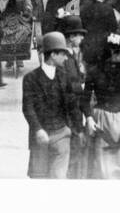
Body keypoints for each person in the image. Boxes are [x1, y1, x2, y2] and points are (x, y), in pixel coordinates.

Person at [21, 32, 79, 179]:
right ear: (53, 54)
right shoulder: (30, 79)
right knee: (39, 178)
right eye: (63, 54)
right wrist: (38, 129)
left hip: (62, 135)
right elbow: (28, 107)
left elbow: (72, 105)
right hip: (40, 137)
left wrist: (77, 130)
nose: (66, 58)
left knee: (58, 177)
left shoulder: (64, 76)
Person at [81, 32, 120, 179]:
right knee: (101, 166)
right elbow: (84, 99)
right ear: (114, 53)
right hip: (100, 120)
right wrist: (89, 118)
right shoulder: (94, 72)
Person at [61, 18, 91, 178]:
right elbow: (66, 83)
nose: (82, 39)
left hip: (79, 105)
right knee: (73, 143)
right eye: (79, 35)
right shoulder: (64, 58)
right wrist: (82, 87)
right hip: (69, 108)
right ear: (71, 37)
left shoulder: (77, 54)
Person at [0, 0, 34, 76]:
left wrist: (27, 9)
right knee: (5, 30)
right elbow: (1, 6)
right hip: (7, 18)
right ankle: (8, 56)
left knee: (25, 30)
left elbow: (28, 5)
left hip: (20, 17)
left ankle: (20, 56)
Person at [78, 0, 119, 68]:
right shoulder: (108, 9)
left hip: (87, 45)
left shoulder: (82, 9)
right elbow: (113, 28)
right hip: (103, 46)